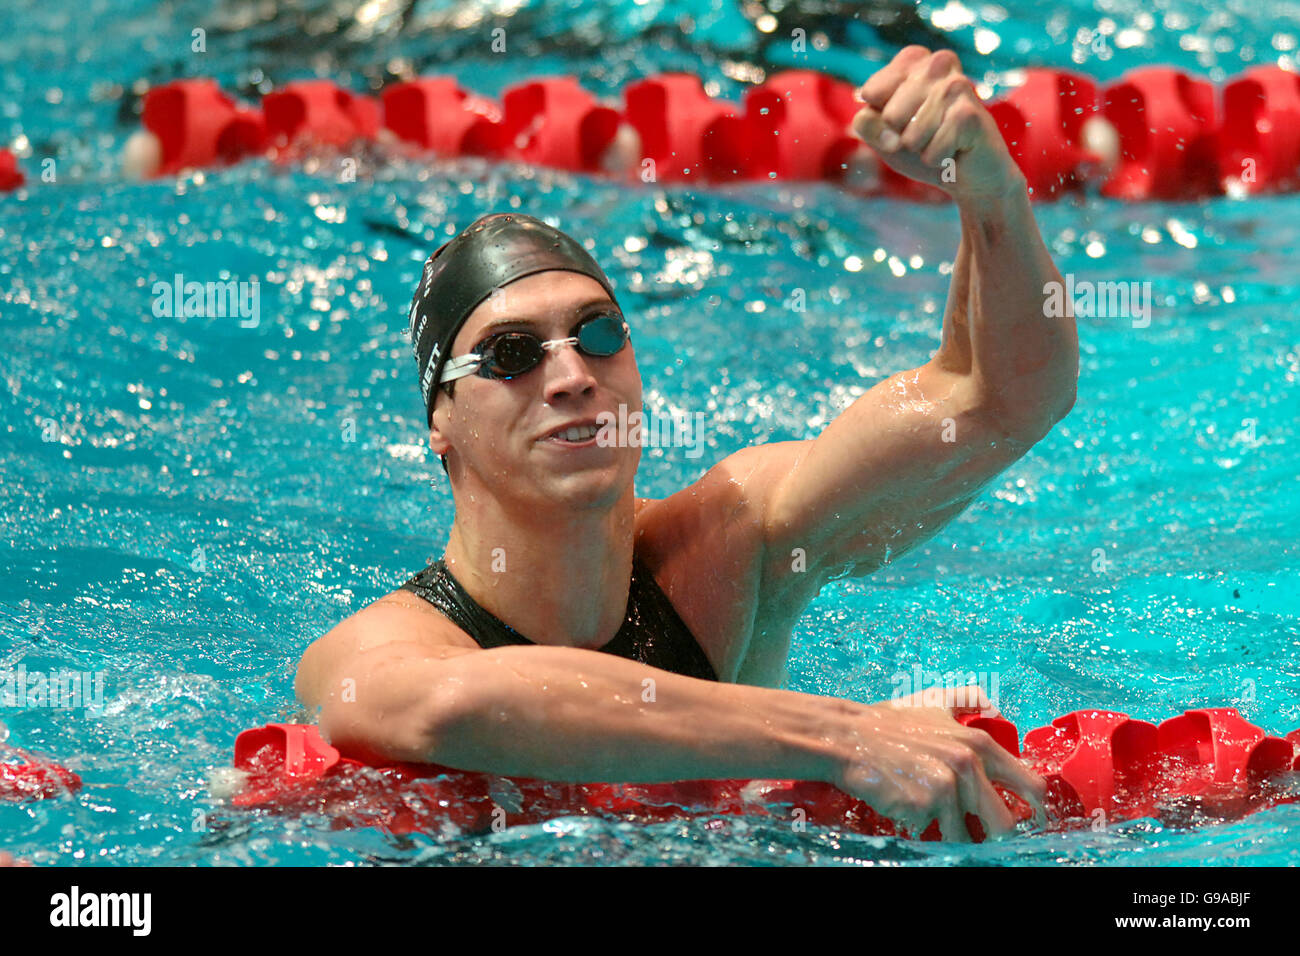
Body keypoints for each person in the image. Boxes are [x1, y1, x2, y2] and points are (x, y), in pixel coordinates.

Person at [295, 46, 1078, 841]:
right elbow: (447, 706)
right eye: (511, 354)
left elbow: (1000, 402)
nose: (569, 374)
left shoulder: (732, 545)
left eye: (597, 333)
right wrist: (843, 736)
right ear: (441, 422)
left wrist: (991, 195)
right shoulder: (378, 645)